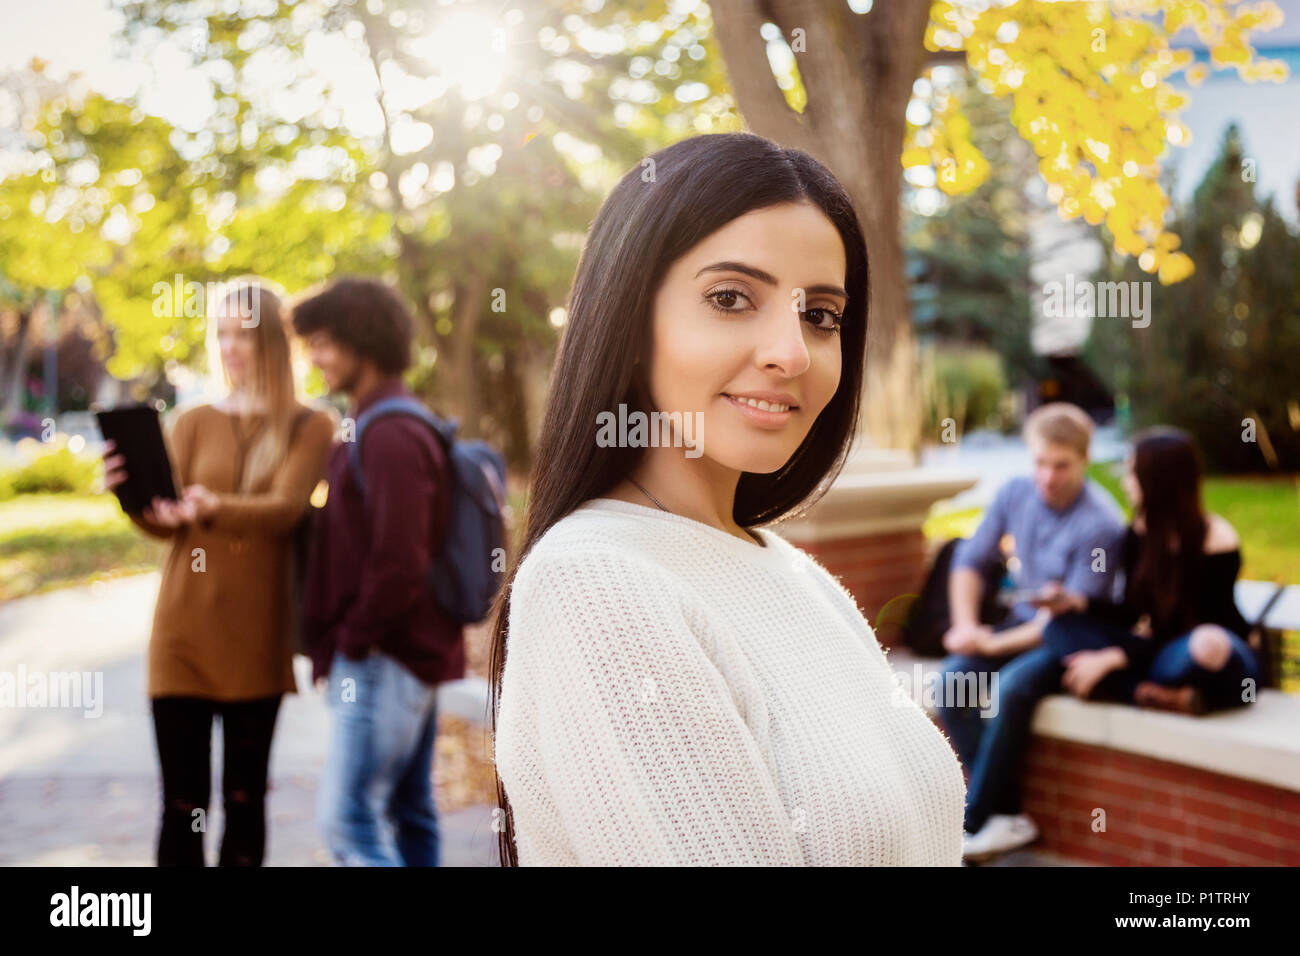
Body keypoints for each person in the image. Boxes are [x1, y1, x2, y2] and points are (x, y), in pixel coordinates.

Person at [491, 132, 967, 866]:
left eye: (821, 315)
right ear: (628, 313)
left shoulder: (796, 575)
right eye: (731, 298)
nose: (792, 352)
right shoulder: (598, 581)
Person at [102, 280, 335, 866]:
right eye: (223, 334)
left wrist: (210, 506)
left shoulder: (311, 424)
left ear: (274, 344)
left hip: (256, 642)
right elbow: (167, 524)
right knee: (181, 805)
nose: (232, 347)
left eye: (246, 335)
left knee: (243, 801)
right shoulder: (191, 420)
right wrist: (132, 498)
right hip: (181, 637)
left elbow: (284, 510)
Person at [292, 277, 463, 867]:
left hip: (383, 660)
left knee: (347, 823)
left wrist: (352, 641)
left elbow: (400, 561)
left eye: (323, 343)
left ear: (361, 342)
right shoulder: (379, 421)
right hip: (399, 656)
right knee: (410, 814)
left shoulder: (390, 433)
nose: (313, 357)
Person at [931, 402, 1127, 862]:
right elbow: (969, 561)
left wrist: (991, 643)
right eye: (1040, 462)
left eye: (1061, 466)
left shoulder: (1101, 523)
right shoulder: (1015, 492)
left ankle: (974, 823)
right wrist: (964, 626)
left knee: (1010, 688)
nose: (1048, 476)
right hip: (1019, 627)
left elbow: (1056, 624)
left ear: (1085, 459)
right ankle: (1006, 814)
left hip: (1076, 637)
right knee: (953, 682)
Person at [1042, 427, 1262, 716]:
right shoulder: (1140, 532)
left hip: (1211, 656)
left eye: (1132, 473)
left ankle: (1125, 687)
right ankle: (1151, 694)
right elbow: (1135, 613)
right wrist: (1077, 602)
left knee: (1207, 644)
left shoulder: (1215, 538)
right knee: (1061, 627)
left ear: (1158, 480)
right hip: (1154, 653)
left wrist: (1115, 657)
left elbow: (1197, 626)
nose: (1125, 482)